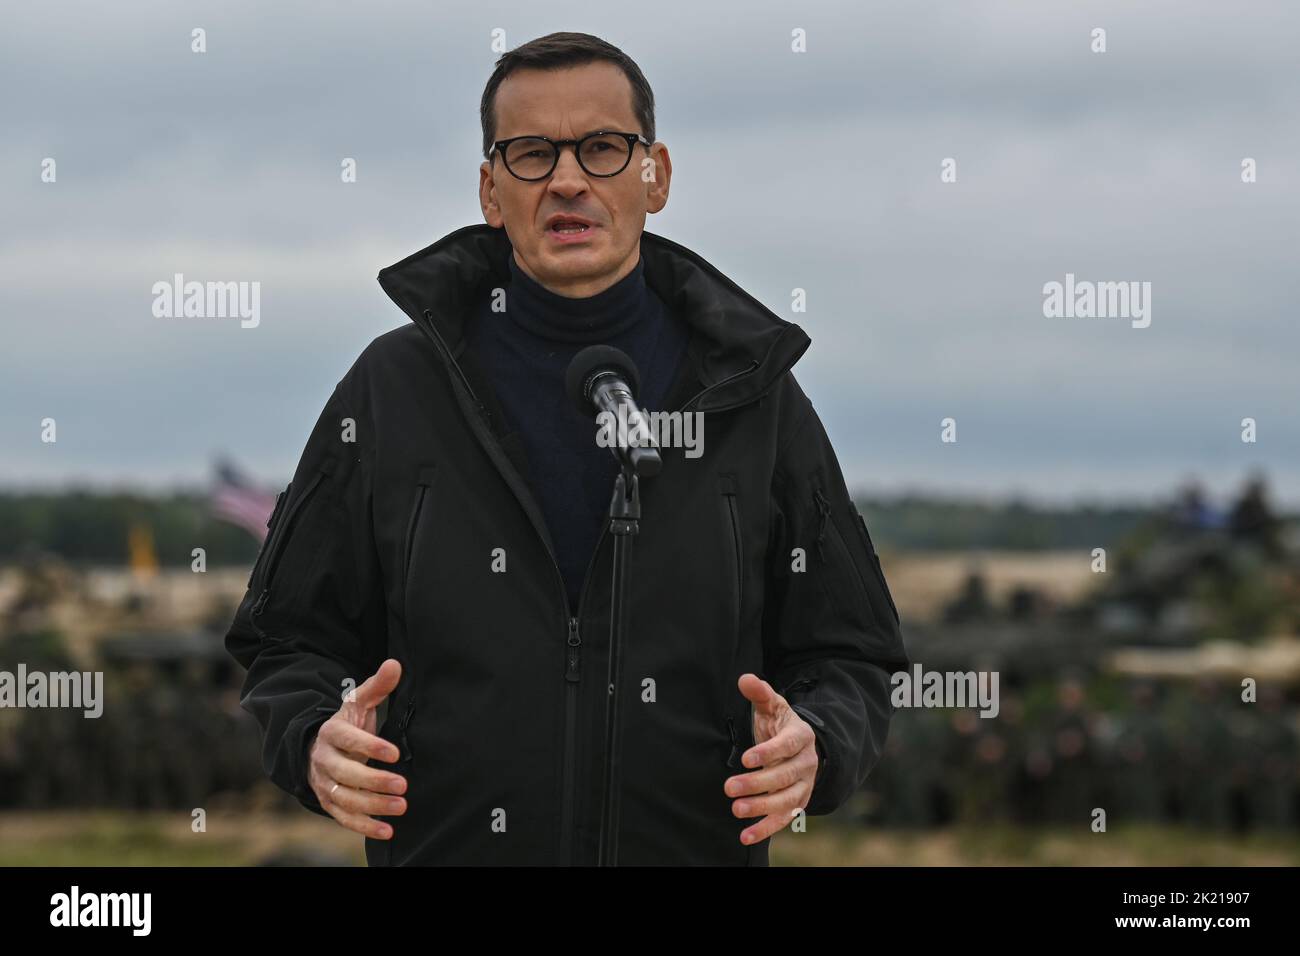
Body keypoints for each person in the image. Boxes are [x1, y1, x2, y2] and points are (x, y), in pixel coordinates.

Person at [224, 31, 909, 866]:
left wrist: (820, 743)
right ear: (489, 188)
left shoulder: (750, 396)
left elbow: (852, 653)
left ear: (655, 175)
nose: (567, 178)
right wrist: (313, 739)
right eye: (531, 153)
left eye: (601, 147)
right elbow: (285, 639)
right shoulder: (392, 389)